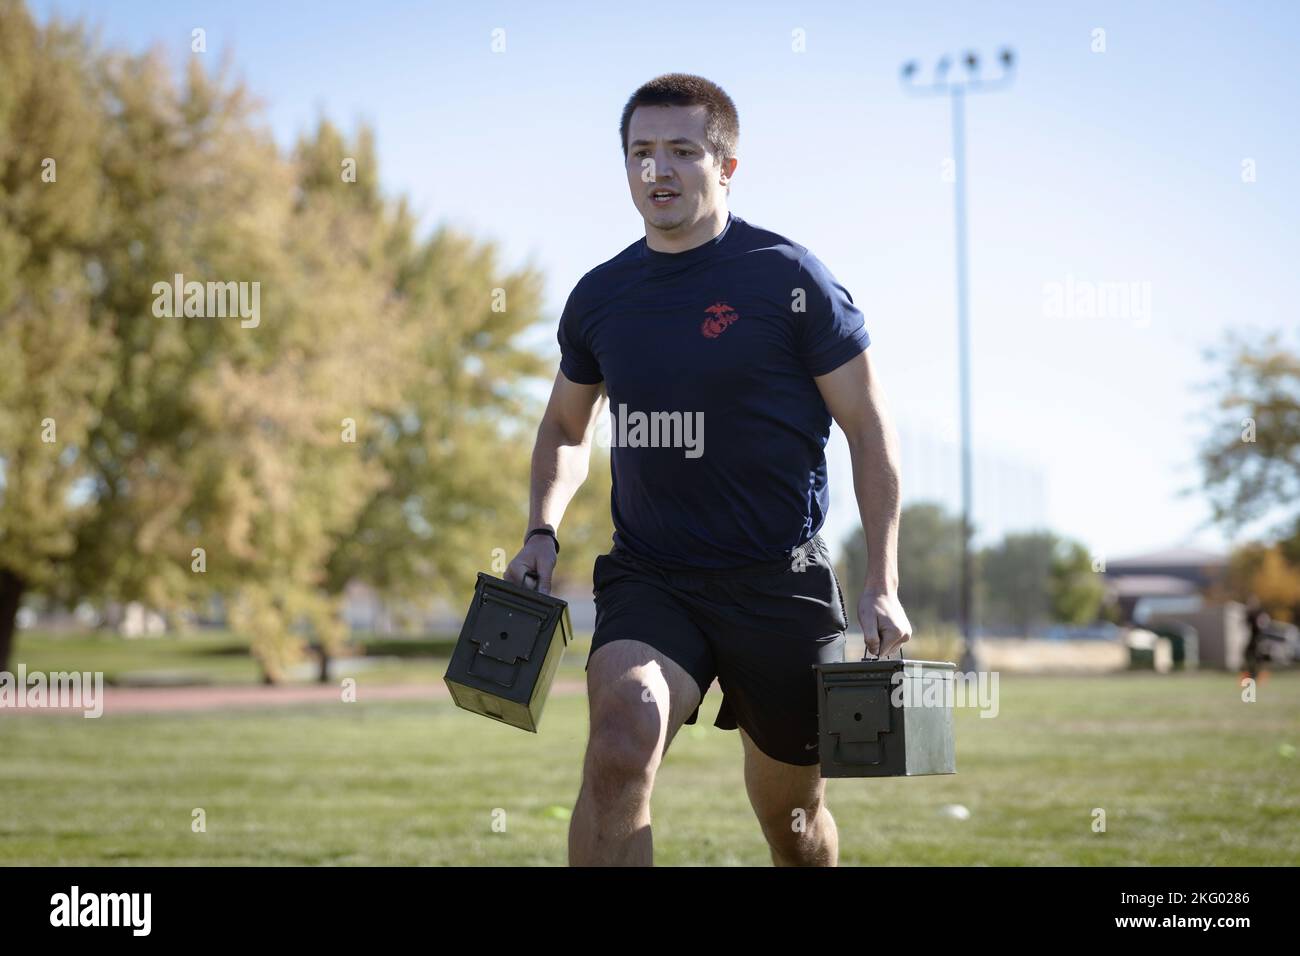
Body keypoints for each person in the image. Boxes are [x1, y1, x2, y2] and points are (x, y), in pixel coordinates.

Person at [504, 73, 911, 867]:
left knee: (793, 822)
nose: (658, 171)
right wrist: (540, 531)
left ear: (726, 166)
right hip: (653, 576)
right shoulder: (601, 296)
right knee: (621, 746)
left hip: (779, 581)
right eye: (641, 153)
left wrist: (883, 580)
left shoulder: (790, 279)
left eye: (682, 152)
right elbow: (562, 424)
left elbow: (868, 427)